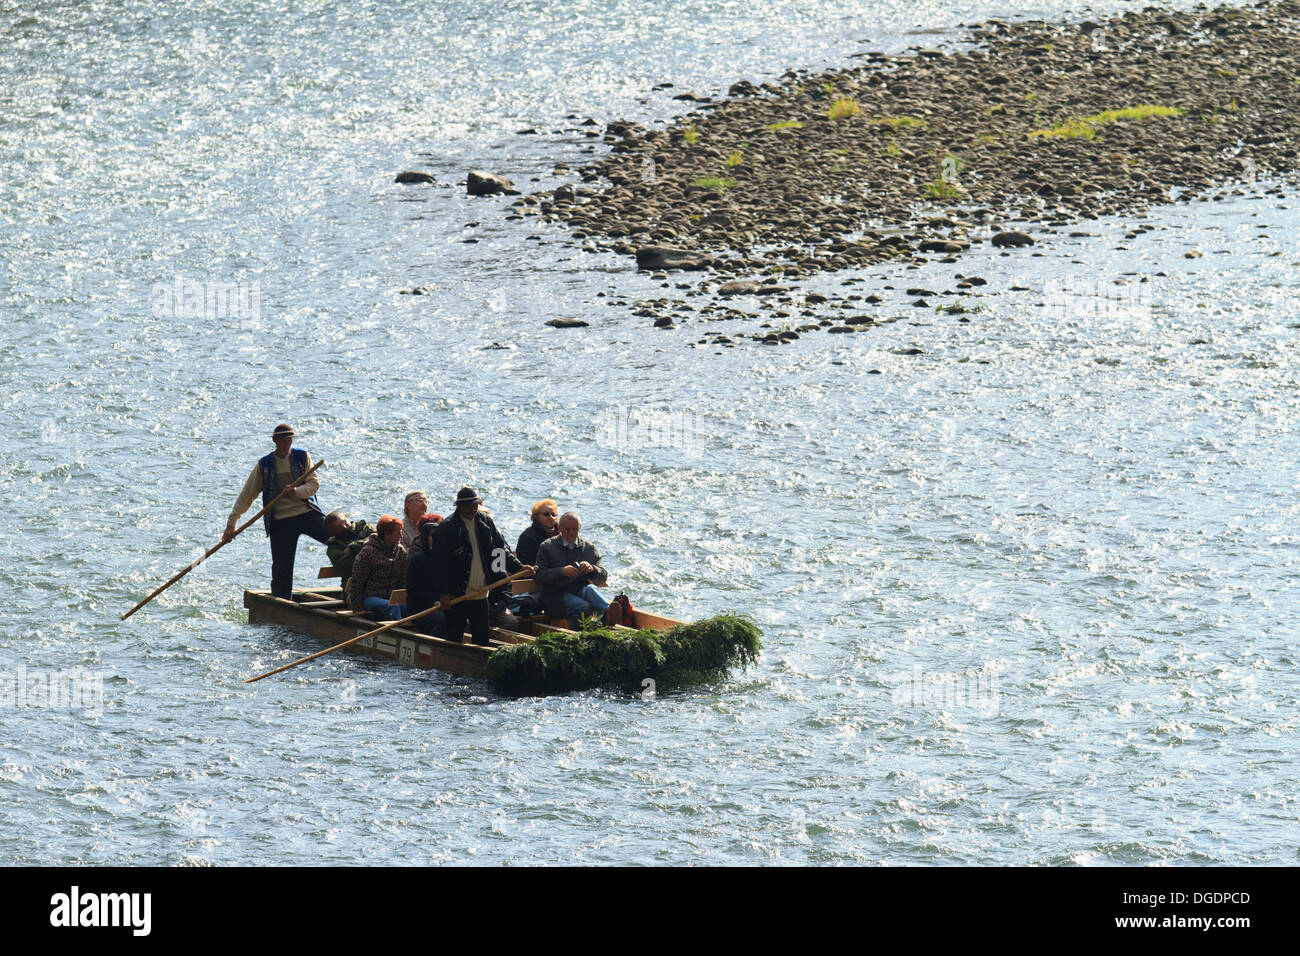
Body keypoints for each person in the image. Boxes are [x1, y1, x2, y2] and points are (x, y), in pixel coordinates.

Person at [224, 423, 327, 599]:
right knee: (282, 570)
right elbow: (247, 495)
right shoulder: (264, 465)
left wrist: (296, 492)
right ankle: (281, 604)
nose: (286, 444)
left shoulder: (302, 457)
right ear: (275, 441)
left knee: (338, 539)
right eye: (283, 441)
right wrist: (231, 524)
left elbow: (313, 484)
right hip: (281, 520)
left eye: (289, 440)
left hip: (306, 513)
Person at [432, 487, 534, 645]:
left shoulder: (485, 522)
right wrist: (444, 593)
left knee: (482, 638)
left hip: (481, 593)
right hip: (457, 595)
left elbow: (499, 551)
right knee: (454, 639)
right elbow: (440, 565)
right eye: (468, 506)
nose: (472, 509)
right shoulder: (446, 528)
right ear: (459, 507)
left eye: (475, 505)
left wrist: (518, 567)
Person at [535, 511, 620, 626]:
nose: (571, 533)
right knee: (583, 606)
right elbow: (539, 576)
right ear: (559, 528)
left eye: (575, 529)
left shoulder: (589, 548)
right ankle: (580, 632)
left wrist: (593, 569)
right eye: (567, 529)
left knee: (591, 589)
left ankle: (607, 613)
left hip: (579, 589)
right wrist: (561, 571)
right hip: (554, 596)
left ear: (579, 528)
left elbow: (603, 577)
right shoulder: (547, 546)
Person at [347, 515, 409, 620]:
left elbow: (402, 579)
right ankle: (400, 632)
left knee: (410, 606)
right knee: (392, 607)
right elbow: (357, 582)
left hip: (391, 597)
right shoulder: (368, 552)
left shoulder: (400, 551)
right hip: (370, 598)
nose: (401, 536)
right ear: (387, 534)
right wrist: (357, 608)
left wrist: (404, 598)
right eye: (398, 533)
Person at [405, 514, 447, 638]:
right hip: (419, 609)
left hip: (440, 605)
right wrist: (434, 600)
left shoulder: (443, 559)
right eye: (433, 536)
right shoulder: (417, 559)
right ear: (425, 538)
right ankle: (434, 647)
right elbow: (412, 588)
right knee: (443, 620)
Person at [324, 510, 375, 595]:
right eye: (338, 527)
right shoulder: (333, 547)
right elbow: (348, 566)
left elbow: (380, 538)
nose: (344, 527)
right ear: (332, 532)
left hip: (381, 583)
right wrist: (372, 551)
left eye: (344, 522)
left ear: (346, 516)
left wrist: (353, 547)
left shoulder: (367, 528)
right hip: (354, 589)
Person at [515, 499, 560, 565]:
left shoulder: (562, 533)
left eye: (553, 514)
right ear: (536, 516)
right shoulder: (527, 537)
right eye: (546, 514)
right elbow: (527, 564)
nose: (550, 517)